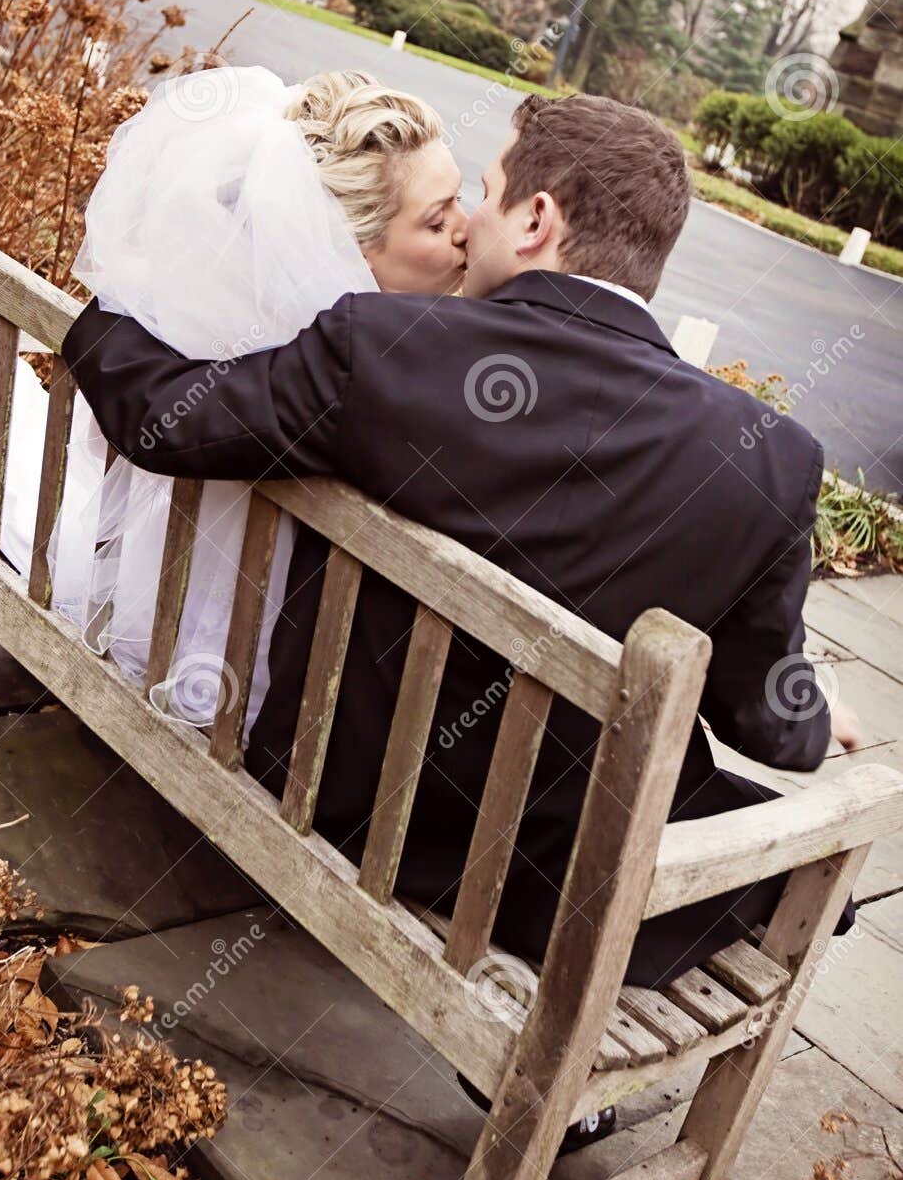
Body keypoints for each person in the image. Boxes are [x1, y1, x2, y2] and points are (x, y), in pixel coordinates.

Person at [61, 89, 861, 1008]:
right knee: (806, 856)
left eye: (484, 191)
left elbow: (162, 422)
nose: (468, 219)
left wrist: (120, 293)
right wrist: (814, 706)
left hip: (346, 799)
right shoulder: (771, 461)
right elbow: (763, 715)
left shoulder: (386, 352)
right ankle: (563, 1071)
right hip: (561, 874)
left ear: (535, 220)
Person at [0, 67, 467, 734]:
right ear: (350, 250)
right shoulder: (331, 374)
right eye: (438, 219)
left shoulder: (275, 344)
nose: (469, 227)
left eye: (461, 200)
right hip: (218, 660)